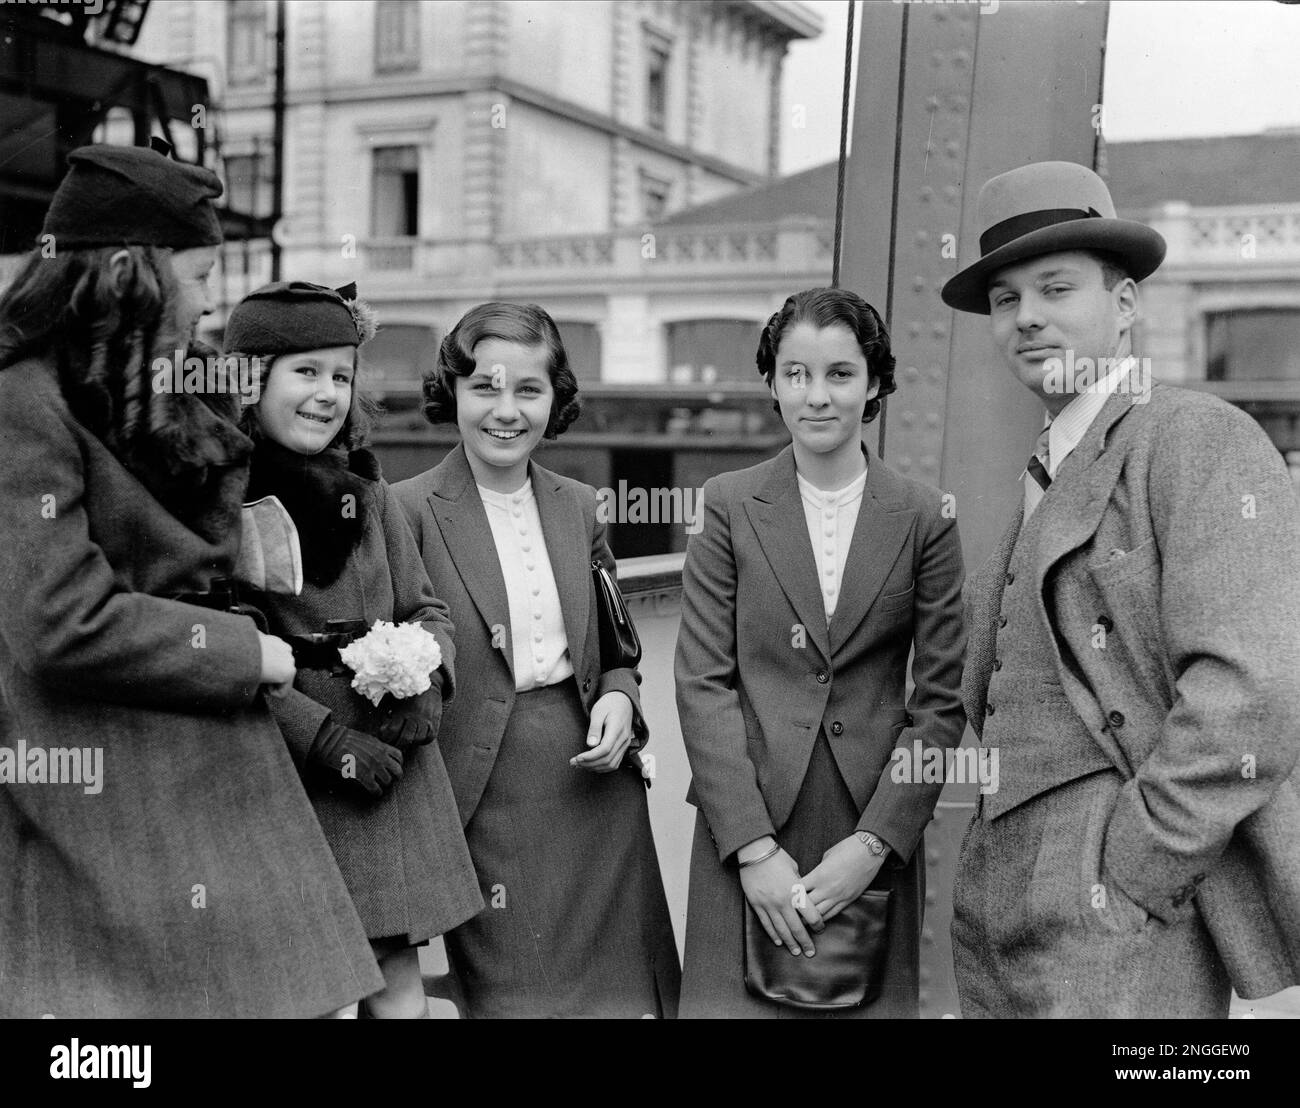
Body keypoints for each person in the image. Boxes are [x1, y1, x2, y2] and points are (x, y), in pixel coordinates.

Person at [0, 144, 383, 1017]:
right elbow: (61, 620)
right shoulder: (20, 402)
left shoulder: (120, 384)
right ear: (134, 270)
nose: (209, 300)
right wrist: (251, 652)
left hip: (188, 769)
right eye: (201, 275)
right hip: (121, 797)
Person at [941, 160, 1300, 1017]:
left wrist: (1136, 864)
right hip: (996, 903)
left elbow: (1255, 688)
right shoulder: (1041, 470)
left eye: (1055, 289)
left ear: (1127, 304)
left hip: (1118, 905)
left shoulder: (1195, 438)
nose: (1027, 318)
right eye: (1004, 300)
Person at [674, 287, 967, 1018]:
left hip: (869, 827)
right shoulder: (727, 504)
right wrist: (752, 849)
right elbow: (703, 684)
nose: (817, 395)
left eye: (840, 374)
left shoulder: (925, 518)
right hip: (743, 824)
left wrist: (874, 845)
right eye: (797, 373)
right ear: (773, 382)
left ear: (874, 385)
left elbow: (939, 706)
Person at [391, 302, 680, 1018]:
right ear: (452, 392)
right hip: (483, 794)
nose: (505, 411)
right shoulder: (405, 510)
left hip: (596, 792)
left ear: (556, 401)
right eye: (485, 387)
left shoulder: (580, 505)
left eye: (529, 390)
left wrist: (621, 696)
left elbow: (616, 644)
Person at [225, 280, 482, 1018]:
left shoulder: (367, 493)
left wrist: (429, 677)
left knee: (397, 973)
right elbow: (229, 647)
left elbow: (426, 607)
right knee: (317, 990)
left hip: (391, 776)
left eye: (341, 376)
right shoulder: (219, 501)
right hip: (294, 776)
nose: (327, 393)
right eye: (305, 372)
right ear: (250, 378)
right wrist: (323, 736)